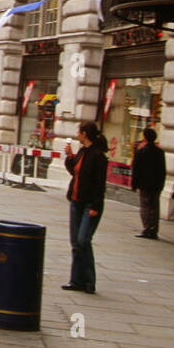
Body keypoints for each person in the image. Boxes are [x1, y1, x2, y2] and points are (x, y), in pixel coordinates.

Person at [62, 122, 108, 294]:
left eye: (79, 132)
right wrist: (69, 157)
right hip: (76, 202)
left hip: (90, 204)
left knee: (83, 241)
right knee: (75, 243)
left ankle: (89, 280)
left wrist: (95, 206)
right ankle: (76, 280)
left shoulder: (98, 156)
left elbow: (99, 184)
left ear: (85, 134)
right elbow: (75, 172)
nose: (77, 135)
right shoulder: (82, 152)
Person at [131, 126, 167, 239]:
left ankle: (147, 228)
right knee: (155, 207)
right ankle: (154, 229)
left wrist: (134, 183)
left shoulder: (141, 152)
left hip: (145, 184)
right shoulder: (160, 152)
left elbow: (136, 169)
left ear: (145, 137)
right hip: (156, 184)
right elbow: (163, 170)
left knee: (145, 206)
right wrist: (162, 184)